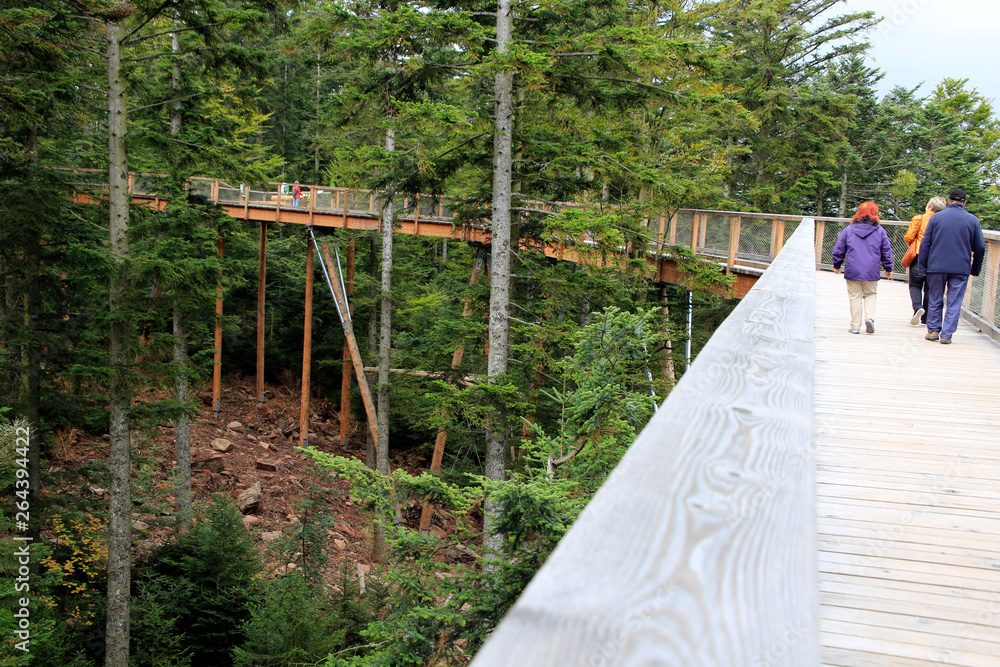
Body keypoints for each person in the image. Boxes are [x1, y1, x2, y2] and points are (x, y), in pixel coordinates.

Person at [917, 188, 986, 344]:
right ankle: (947, 334)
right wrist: (975, 268)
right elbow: (980, 247)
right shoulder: (972, 220)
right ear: (964, 203)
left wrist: (923, 267)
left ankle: (934, 330)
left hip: (936, 266)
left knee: (935, 298)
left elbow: (925, 244)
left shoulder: (936, 218)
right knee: (954, 302)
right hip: (960, 267)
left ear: (948, 201)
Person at [831, 201, 894, 334]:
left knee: (855, 296)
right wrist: (888, 268)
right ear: (875, 213)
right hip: (871, 269)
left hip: (853, 269)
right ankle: (869, 317)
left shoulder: (849, 230)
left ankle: (855, 326)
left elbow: (839, 249)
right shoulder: (880, 231)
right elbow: (886, 251)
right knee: (871, 293)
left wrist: (837, 265)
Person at [903, 196, 947, 325]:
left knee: (915, 284)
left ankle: (918, 308)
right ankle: (926, 318)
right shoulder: (944, 221)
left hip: (919, 254)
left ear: (930, 207)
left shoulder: (919, 219)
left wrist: (914, 243)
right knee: (929, 288)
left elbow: (909, 237)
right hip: (936, 257)